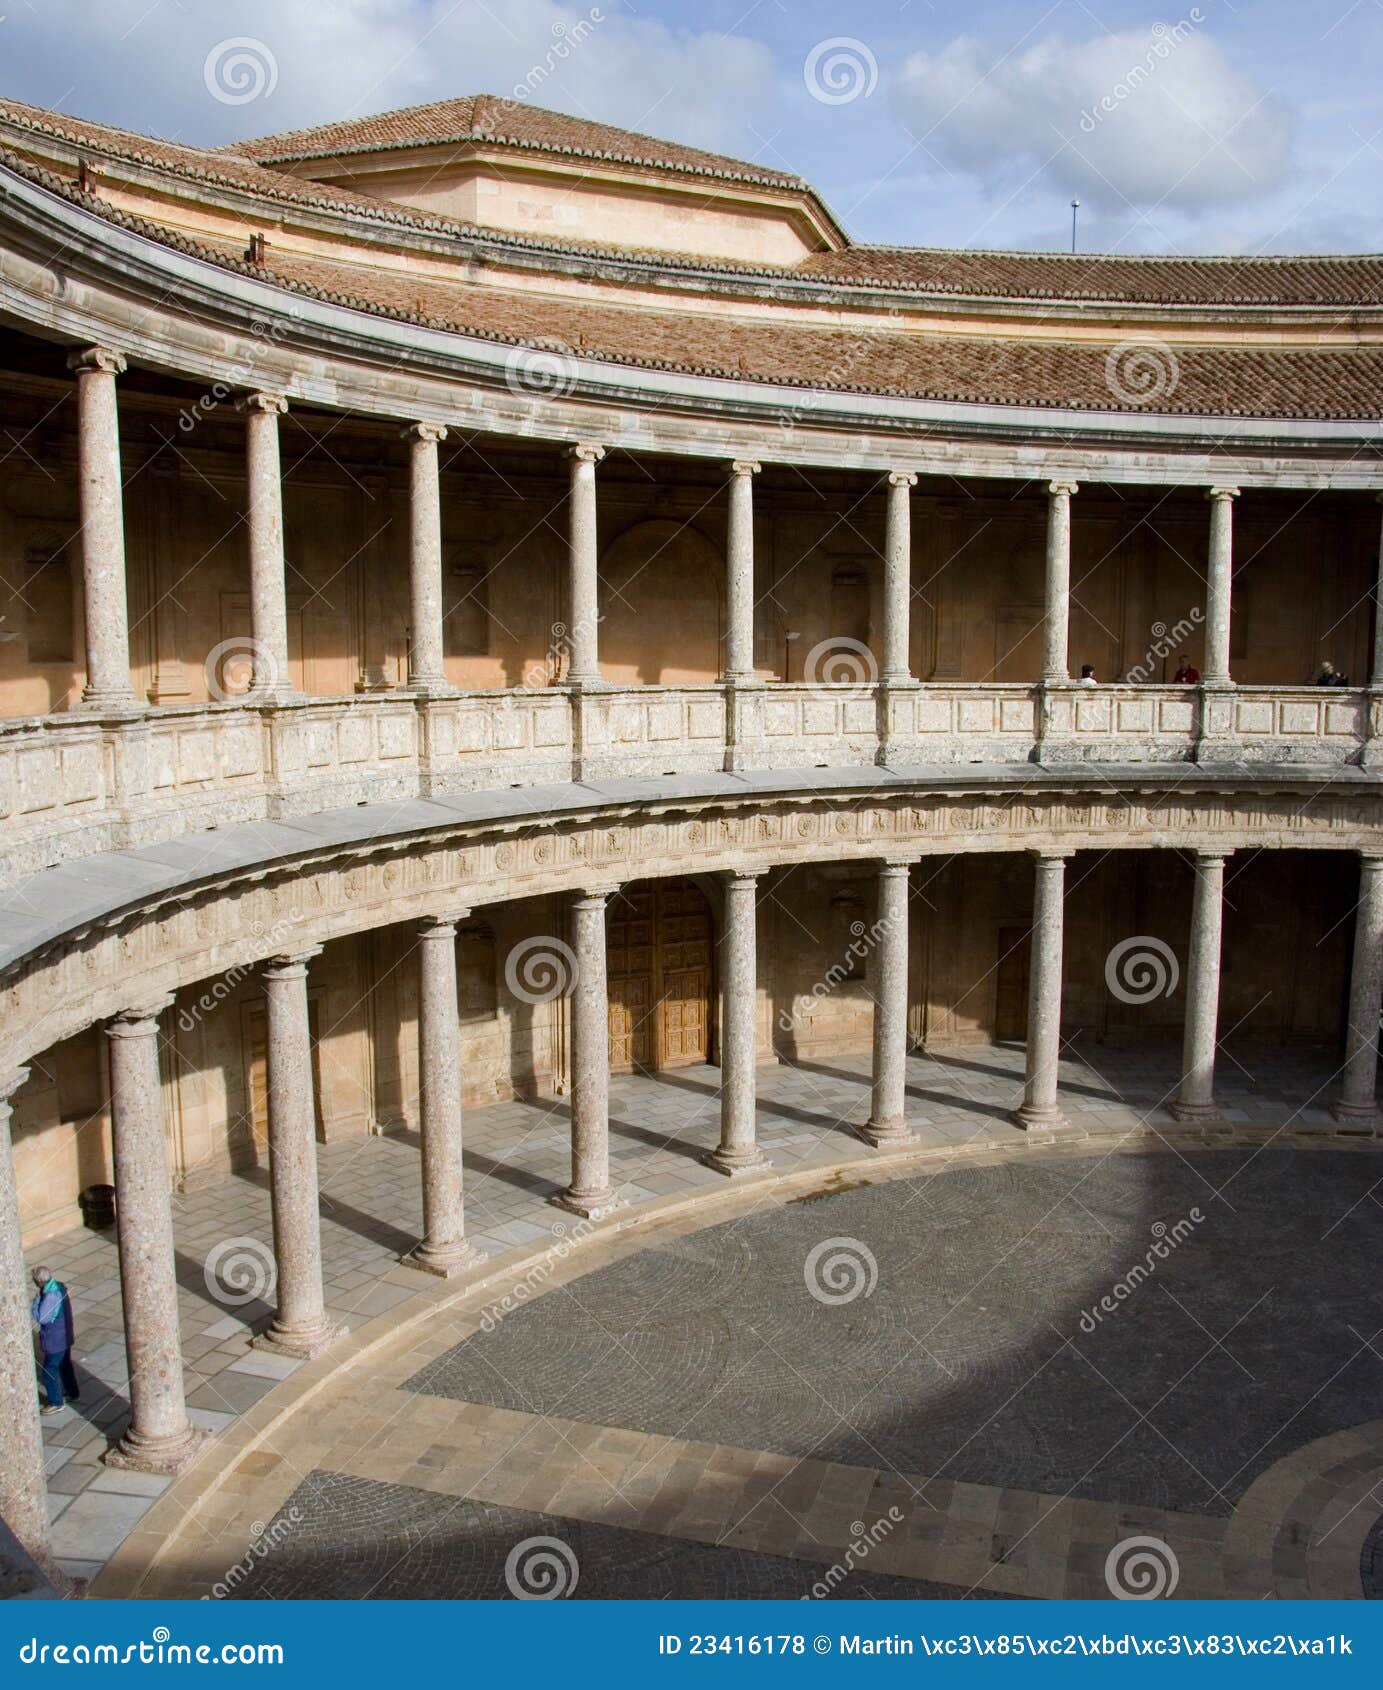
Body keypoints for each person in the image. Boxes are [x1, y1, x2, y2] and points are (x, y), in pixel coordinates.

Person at [30, 1266, 78, 1416]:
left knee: (49, 1370)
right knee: (65, 1364)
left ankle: (56, 1402)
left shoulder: (50, 1295)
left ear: (39, 1281)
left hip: (55, 1340)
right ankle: (72, 1392)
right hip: (65, 1336)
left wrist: (36, 1301)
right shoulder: (60, 1286)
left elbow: (42, 1318)